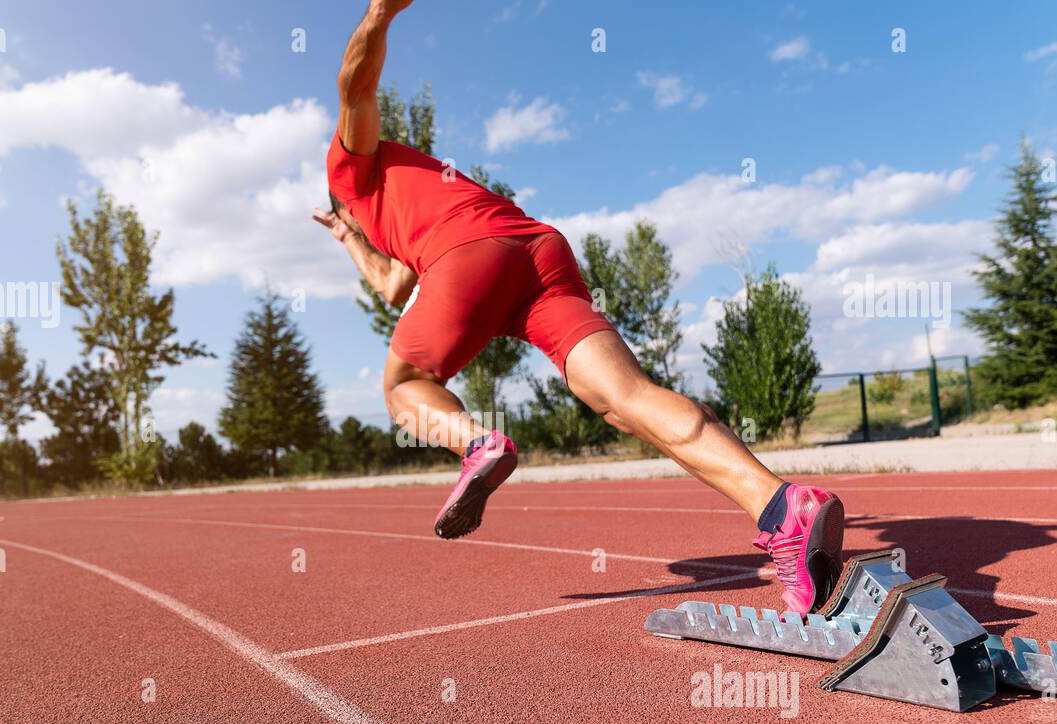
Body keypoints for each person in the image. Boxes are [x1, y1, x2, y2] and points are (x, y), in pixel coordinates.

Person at [312, 0, 843, 614]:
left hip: (468, 255)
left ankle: (477, 445)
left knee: (404, 385)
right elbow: (397, 288)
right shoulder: (394, 210)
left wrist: (378, 14)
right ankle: (782, 508)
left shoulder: (351, 167)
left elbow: (356, 85)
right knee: (626, 399)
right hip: (537, 254)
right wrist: (350, 238)